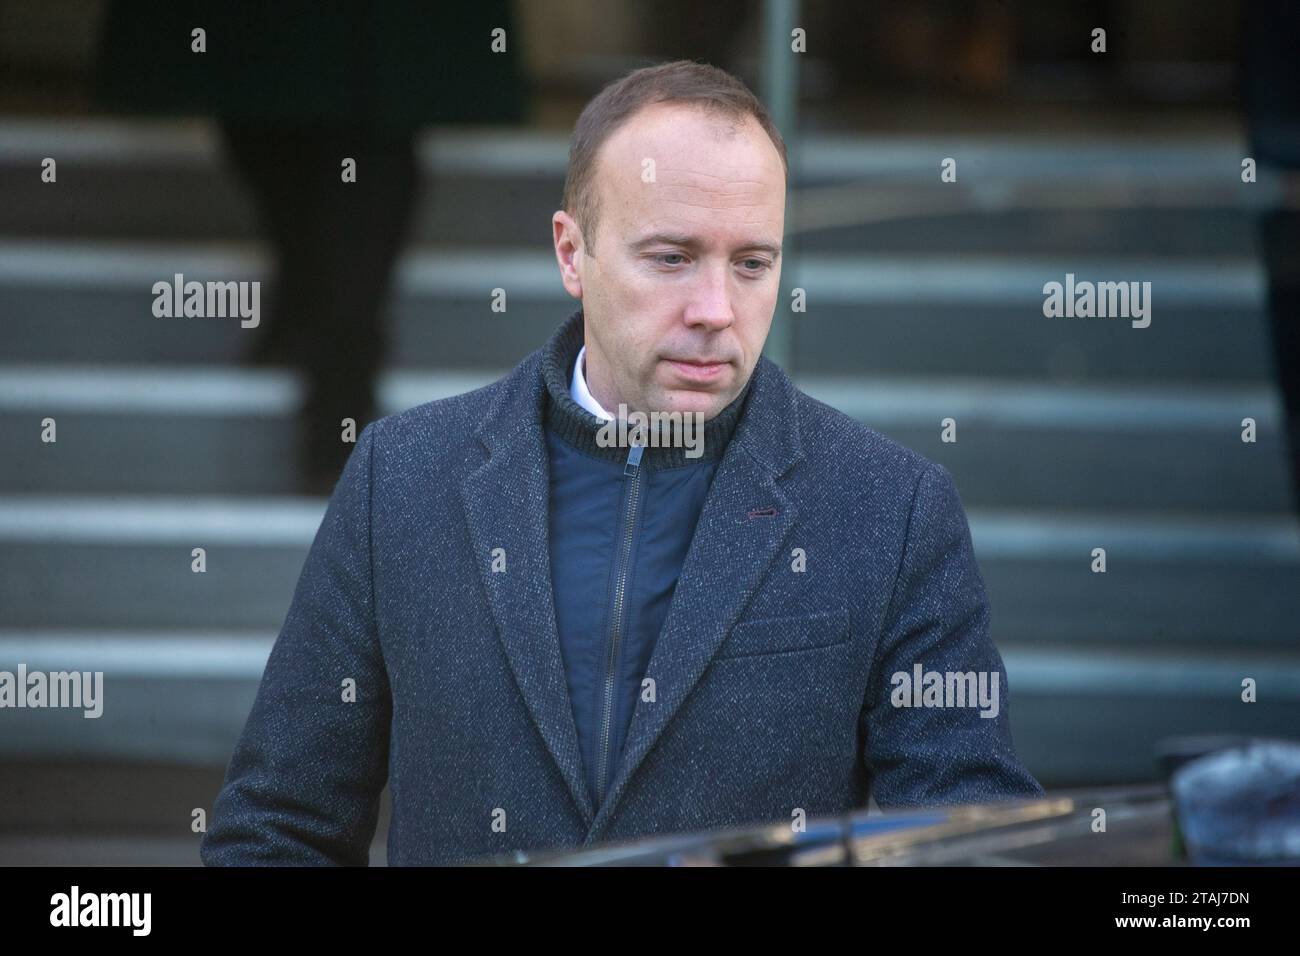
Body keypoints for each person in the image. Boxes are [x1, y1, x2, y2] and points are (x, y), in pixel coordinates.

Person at [202, 59, 1042, 867]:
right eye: (671, 258)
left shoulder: (892, 508)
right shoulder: (404, 478)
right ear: (572, 253)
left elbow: (966, 840)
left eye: (752, 263)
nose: (717, 310)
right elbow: (277, 828)